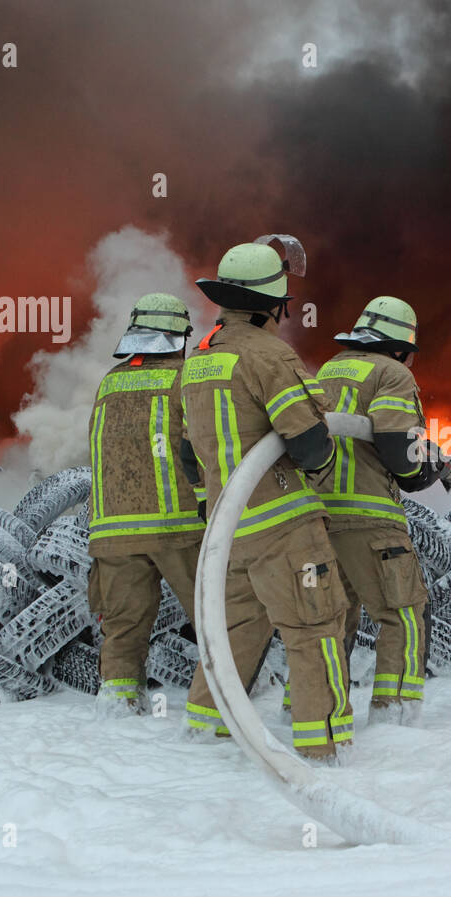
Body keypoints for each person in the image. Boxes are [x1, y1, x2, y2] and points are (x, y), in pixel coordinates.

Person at [179, 238, 353, 759]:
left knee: (232, 630)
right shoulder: (268, 355)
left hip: (228, 534)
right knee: (316, 624)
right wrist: (320, 460)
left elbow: (191, 457)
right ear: (272, 305)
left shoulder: (198, 361)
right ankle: (322, 749)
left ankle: (202, 737)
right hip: (283, 525)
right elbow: (309, 443)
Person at [313, 296, 442, 726]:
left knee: (331, 620)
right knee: (403, 612)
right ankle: (396, 718)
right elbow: (396, 446)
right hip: (370, 520)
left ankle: (309, 710)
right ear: (402, 347)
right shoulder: (393, 372)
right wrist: (424, 467)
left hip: (317, 517)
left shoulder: (328, 369)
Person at [87, 293, 205, 713]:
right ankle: (228, 700)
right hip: (178, 527)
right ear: (179, 336)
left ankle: (118, 708)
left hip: (112, 532)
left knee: (122, 629)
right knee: (217, 616)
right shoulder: (186, 378)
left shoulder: (109, 382)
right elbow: (200, 447)